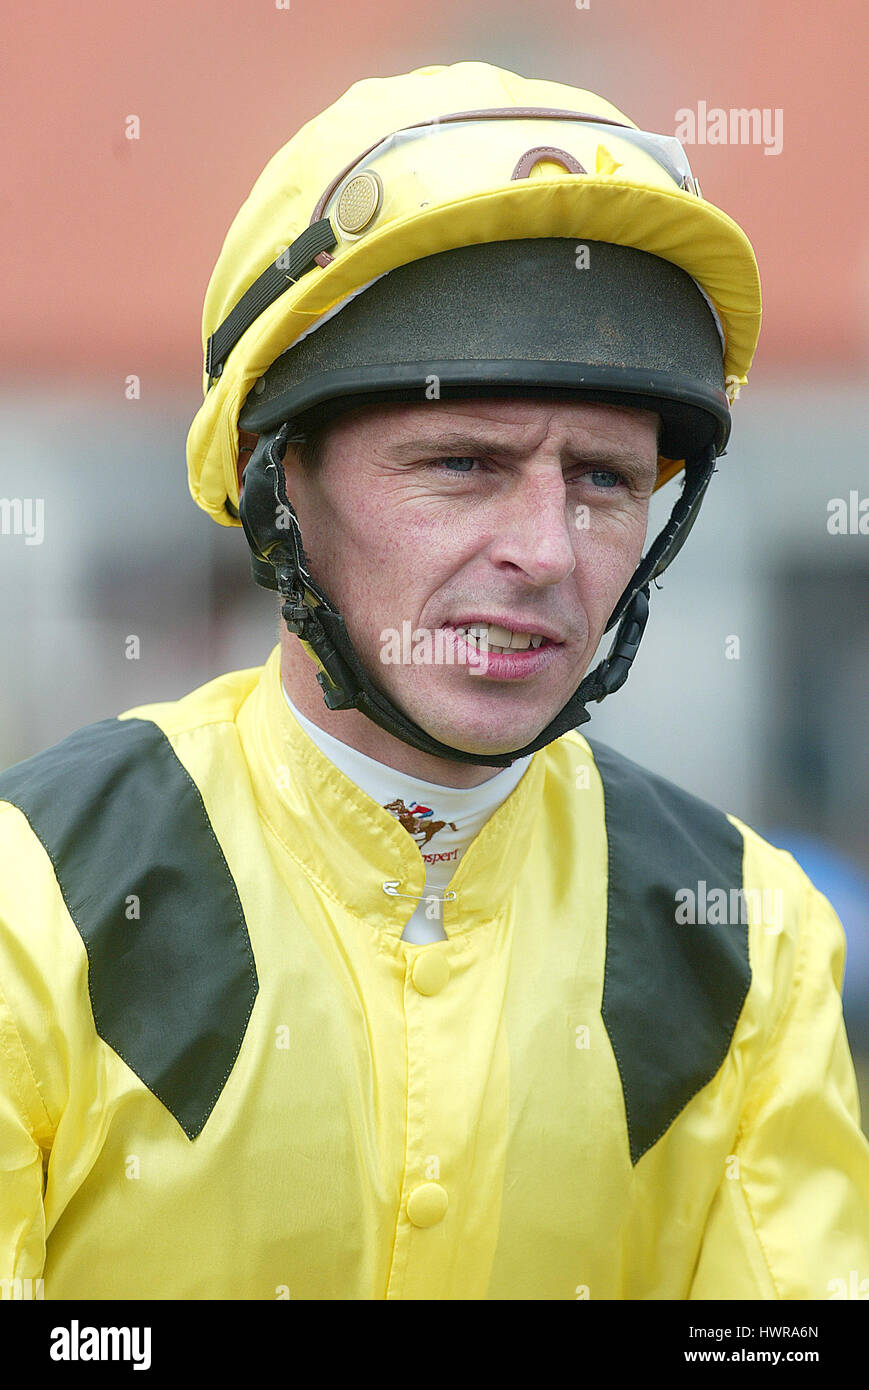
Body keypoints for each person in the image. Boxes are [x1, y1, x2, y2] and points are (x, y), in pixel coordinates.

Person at [1, 60, 867, 1302]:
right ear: (272, 478)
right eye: (461, 463)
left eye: (604, 480)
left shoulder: (748, 932)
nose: (545, 551)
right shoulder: (33, 903)